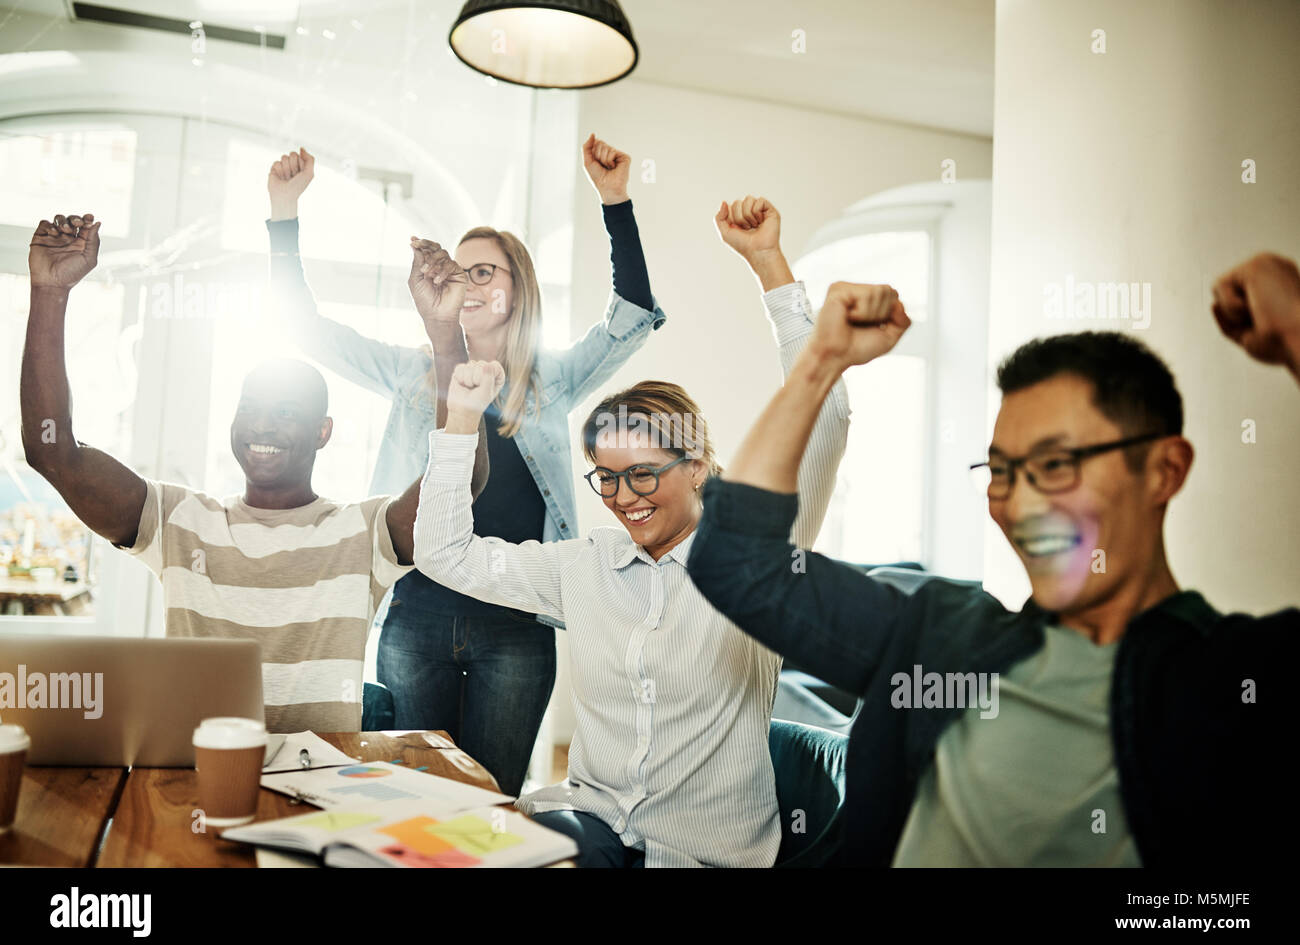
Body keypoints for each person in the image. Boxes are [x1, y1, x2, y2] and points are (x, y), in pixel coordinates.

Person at [686, 250, 1299, 867]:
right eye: (1002, 470)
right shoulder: (941, 637)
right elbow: (737, 561)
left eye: (1057, 465)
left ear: (1166, 470)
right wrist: (820, 359)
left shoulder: (1236, 679)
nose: (1020, 504)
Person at [412, 196, 890, 866]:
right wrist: (460, 419)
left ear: (697, 465)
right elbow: (443, 554)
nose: (622, 499)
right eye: (604, 478)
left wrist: (768, 266)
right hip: (591, 828)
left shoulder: (757, 563)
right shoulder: (585, 565)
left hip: (704, 854)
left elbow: (828, 421)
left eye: (641, 474)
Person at [265, 136, 665, 796]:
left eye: (487, 271)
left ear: (518, 289)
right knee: (413, 800)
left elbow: (630, 318)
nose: (469, 281)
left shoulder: (551, 380)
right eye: (461, 269)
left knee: (490, 805)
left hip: (516, 624)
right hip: (415, 616)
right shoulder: (408, 373)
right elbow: (304, 328)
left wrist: (614, 200)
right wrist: (284, 212)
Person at [21, 211, 485, 734]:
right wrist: (49, 293)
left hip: (318, 790)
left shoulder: (360, 534)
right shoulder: (178, 521)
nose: (262, 423)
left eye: (287, 412)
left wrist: (446, 335)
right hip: (195, 780)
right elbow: (52, 452)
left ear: (323, 432)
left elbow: (458, 484)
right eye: (251, 408)